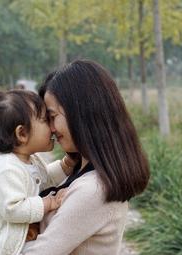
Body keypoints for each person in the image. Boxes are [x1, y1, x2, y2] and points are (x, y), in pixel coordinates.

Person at [21, 59, 150, 255]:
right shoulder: (83, 172)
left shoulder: (93, 190)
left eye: (52, 117)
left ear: (80, 114)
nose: (51, 129)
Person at [0, 90, 77, 255]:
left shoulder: (29, 160)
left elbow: (44, 179)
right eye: (45, 120)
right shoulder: (4, 169)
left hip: (17, 243)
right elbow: (13, 209)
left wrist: (65, 165)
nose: (53, 128)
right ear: (22, 134)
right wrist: (49, 203)